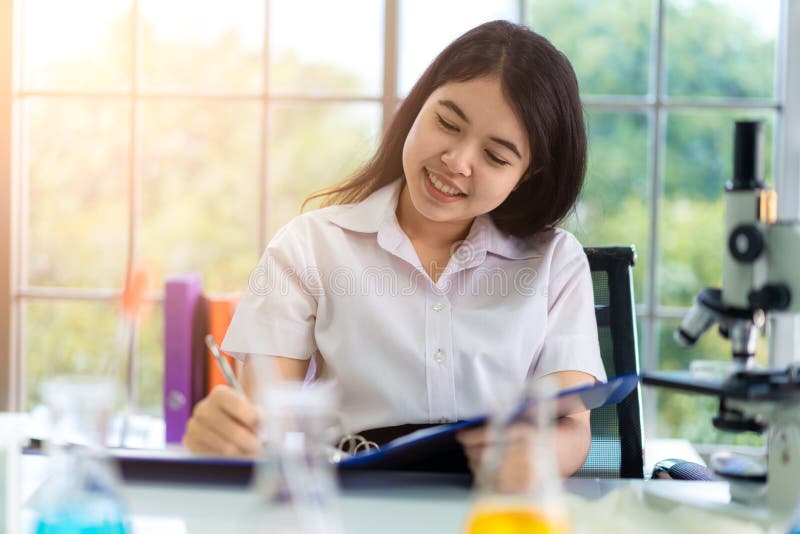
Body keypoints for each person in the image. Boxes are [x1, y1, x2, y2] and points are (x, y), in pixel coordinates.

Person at [183, 19, 606, 485]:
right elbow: (269, 422)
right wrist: (231, 437)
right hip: (354, 506)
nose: (458, 162)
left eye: (496, 156)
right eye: (447, 123)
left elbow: (570, 425)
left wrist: (536, 455)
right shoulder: (308, 247)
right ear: (415, 106)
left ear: (527, 174)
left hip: (494, 507)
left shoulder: (556, 261)